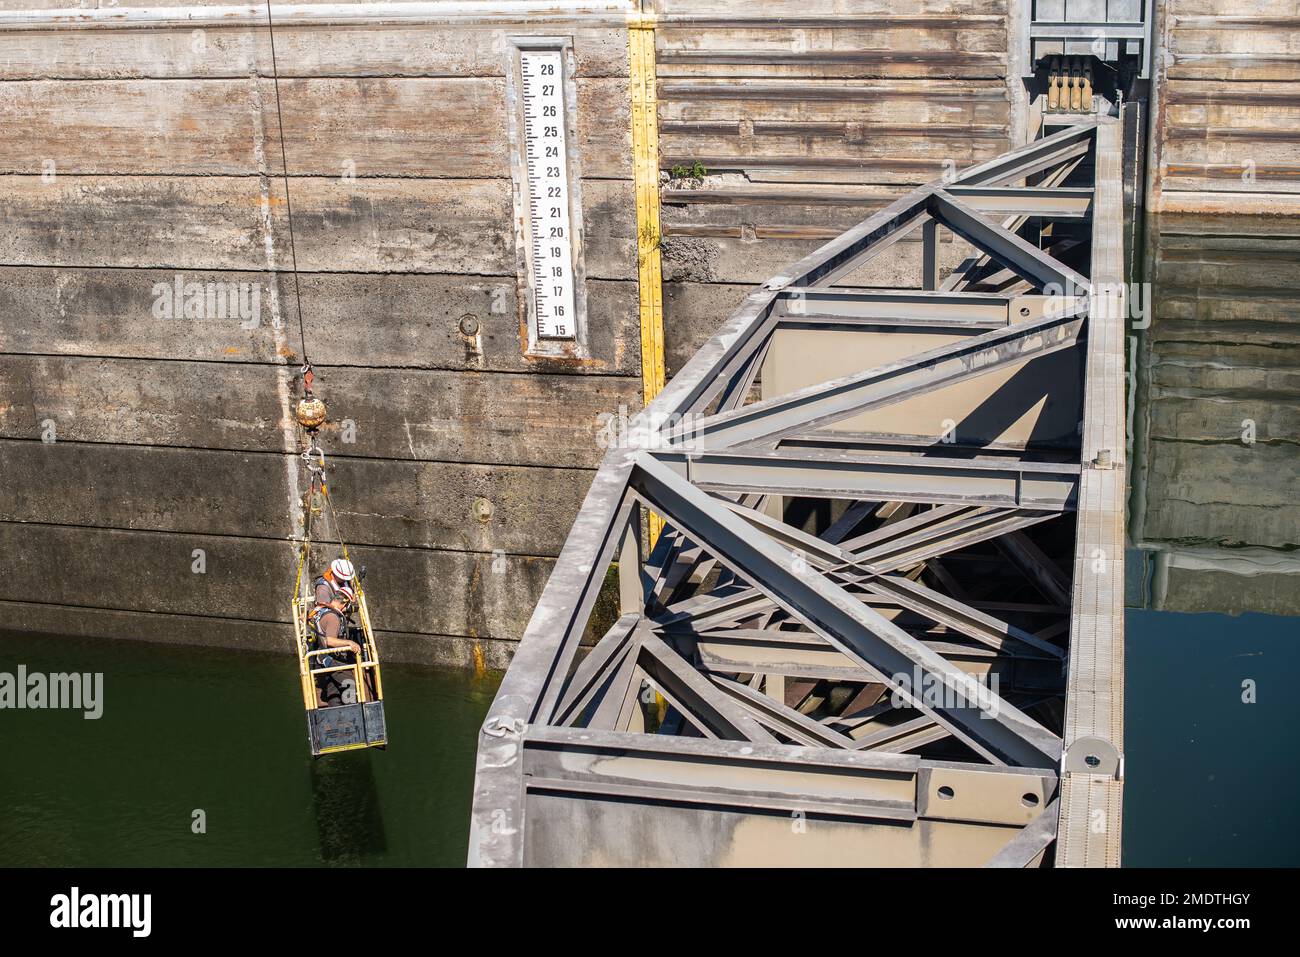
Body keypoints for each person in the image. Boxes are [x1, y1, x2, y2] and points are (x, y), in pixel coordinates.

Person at [307, 584, 361, 706]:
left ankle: (335, 714)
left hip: (322, 658)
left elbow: (304, 616)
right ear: (344, 603)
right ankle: (351, 711)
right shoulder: (333, 618)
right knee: (350, 684)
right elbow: (330, 641)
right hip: (334, 659)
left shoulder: (321, 610)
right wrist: (350, 642)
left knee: (333, 688)